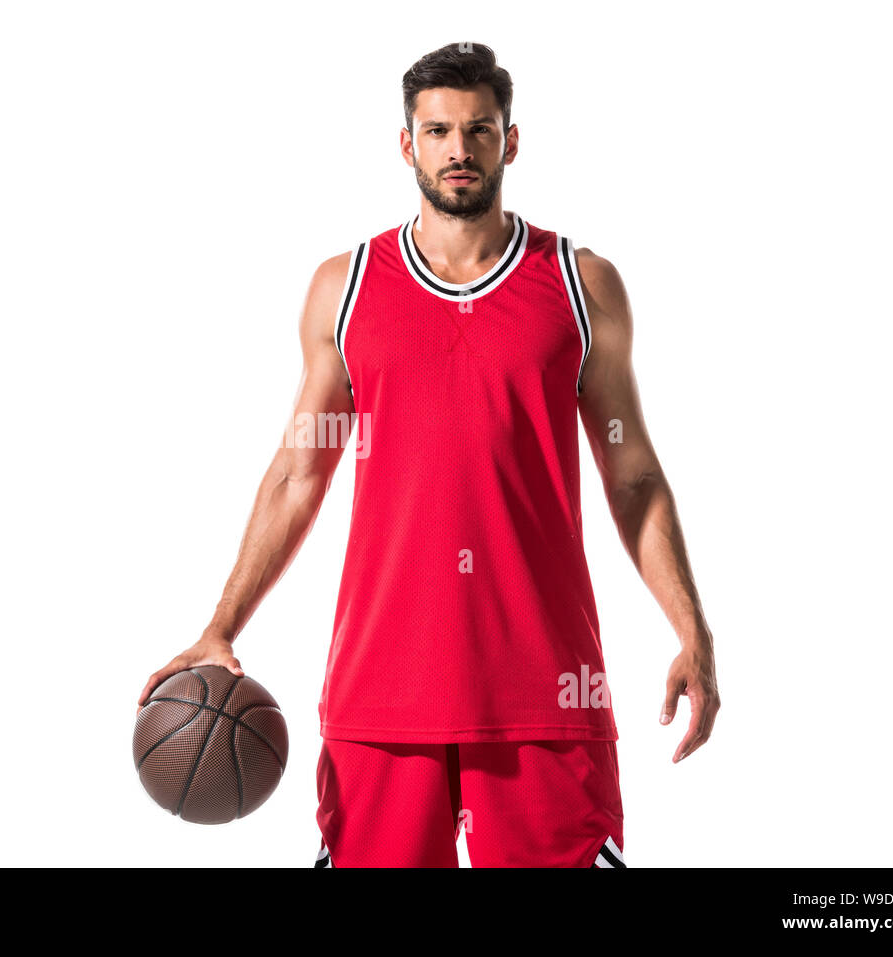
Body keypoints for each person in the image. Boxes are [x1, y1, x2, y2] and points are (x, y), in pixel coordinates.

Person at [137, 42, 719, 867]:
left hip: (544, 695)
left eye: (479, 130)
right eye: (437, 130)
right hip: (382, 697)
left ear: (510, 142)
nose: (458, 149)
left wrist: (690, 629)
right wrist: (219, 626)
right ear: (405, 143)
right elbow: (300, 471)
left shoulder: (582, 286)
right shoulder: (348, 286)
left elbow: (634, 476)